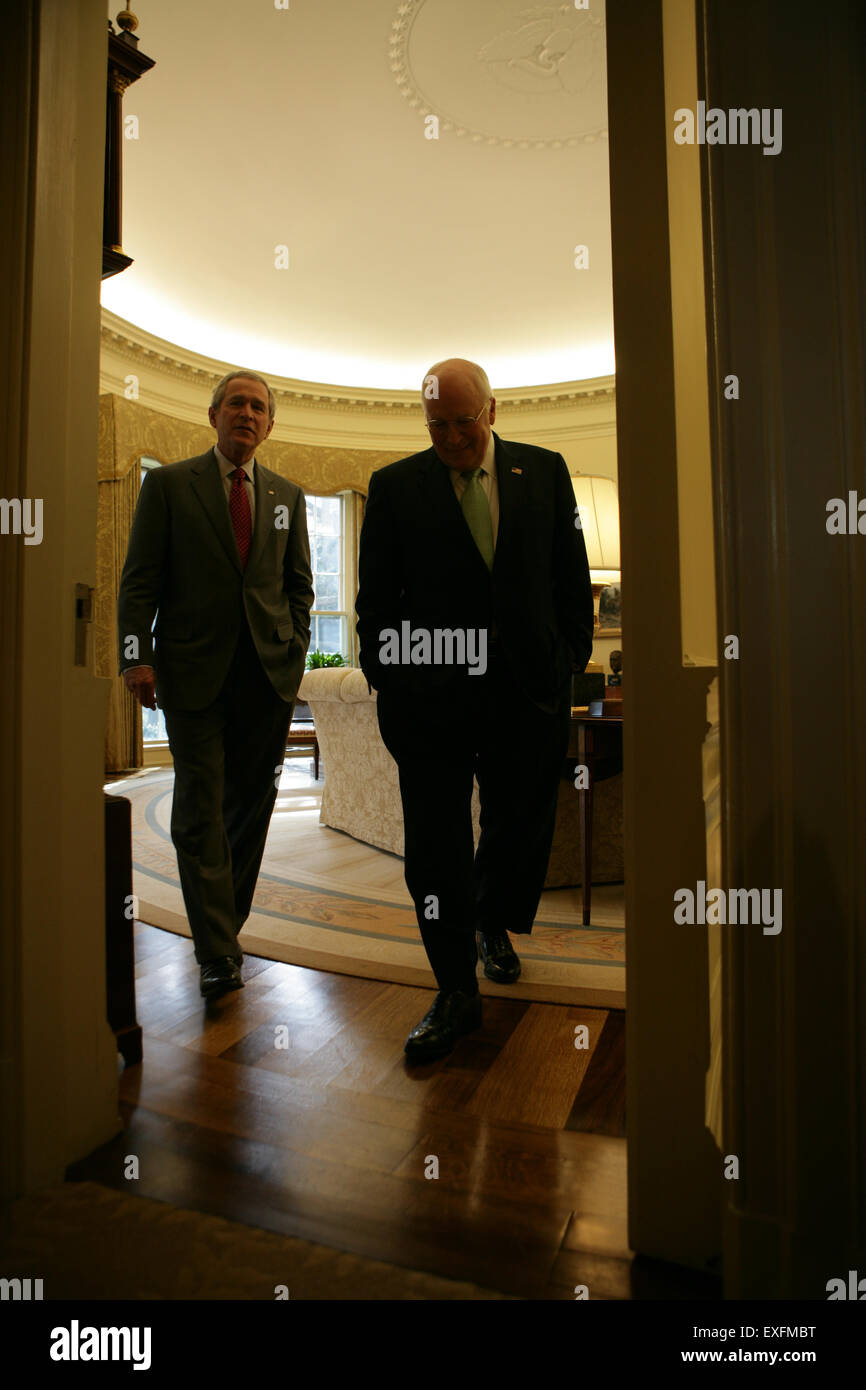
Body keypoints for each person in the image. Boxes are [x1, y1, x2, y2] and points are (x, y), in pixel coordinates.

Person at [356, 358, 594, 1062]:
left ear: (493, 411)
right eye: (438, 425)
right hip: (430, 699)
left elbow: (570, 577)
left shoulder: (544, 471)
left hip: (526, 693)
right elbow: (377, 604)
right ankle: (454, 986)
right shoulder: (395, 487)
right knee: (434, 845)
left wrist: (568, 660)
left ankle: (494, 921)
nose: (453, 437)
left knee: (518, 822)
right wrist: (391, 680)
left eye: (464, 421)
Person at [117, 371, 314, 999]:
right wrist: (134, 657)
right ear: (213, 415)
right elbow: (138, 581)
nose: (247, 414)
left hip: (267, 676)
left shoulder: (287, 494)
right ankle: (218, 949)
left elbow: (298, 586)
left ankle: (223, 923)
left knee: (252, 803)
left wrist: (293, 649)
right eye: (237, 404)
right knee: (200, 805)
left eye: (258, 407)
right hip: (192, 673)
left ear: (270, 425)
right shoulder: (170, 485)